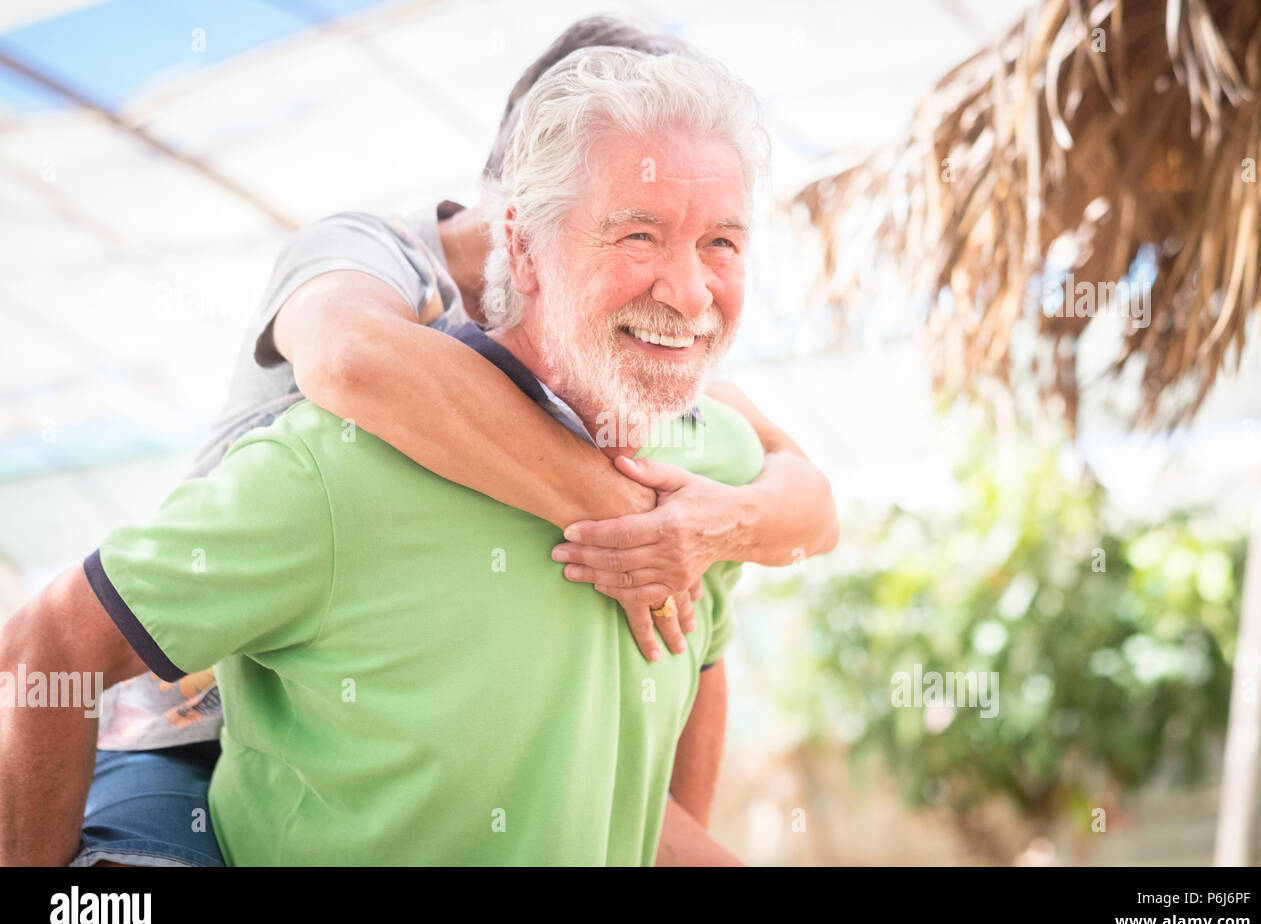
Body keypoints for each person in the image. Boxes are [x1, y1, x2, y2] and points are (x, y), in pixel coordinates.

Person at [3, 20, 837, 867]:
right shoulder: (347, 413)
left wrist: (708, 529)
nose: (690, 290)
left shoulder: (705, 460)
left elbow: (789, 522)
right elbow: (352, 360)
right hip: (169, 731)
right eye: (638, 232)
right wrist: (630, 517)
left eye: (720, 240)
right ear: (518, 235)